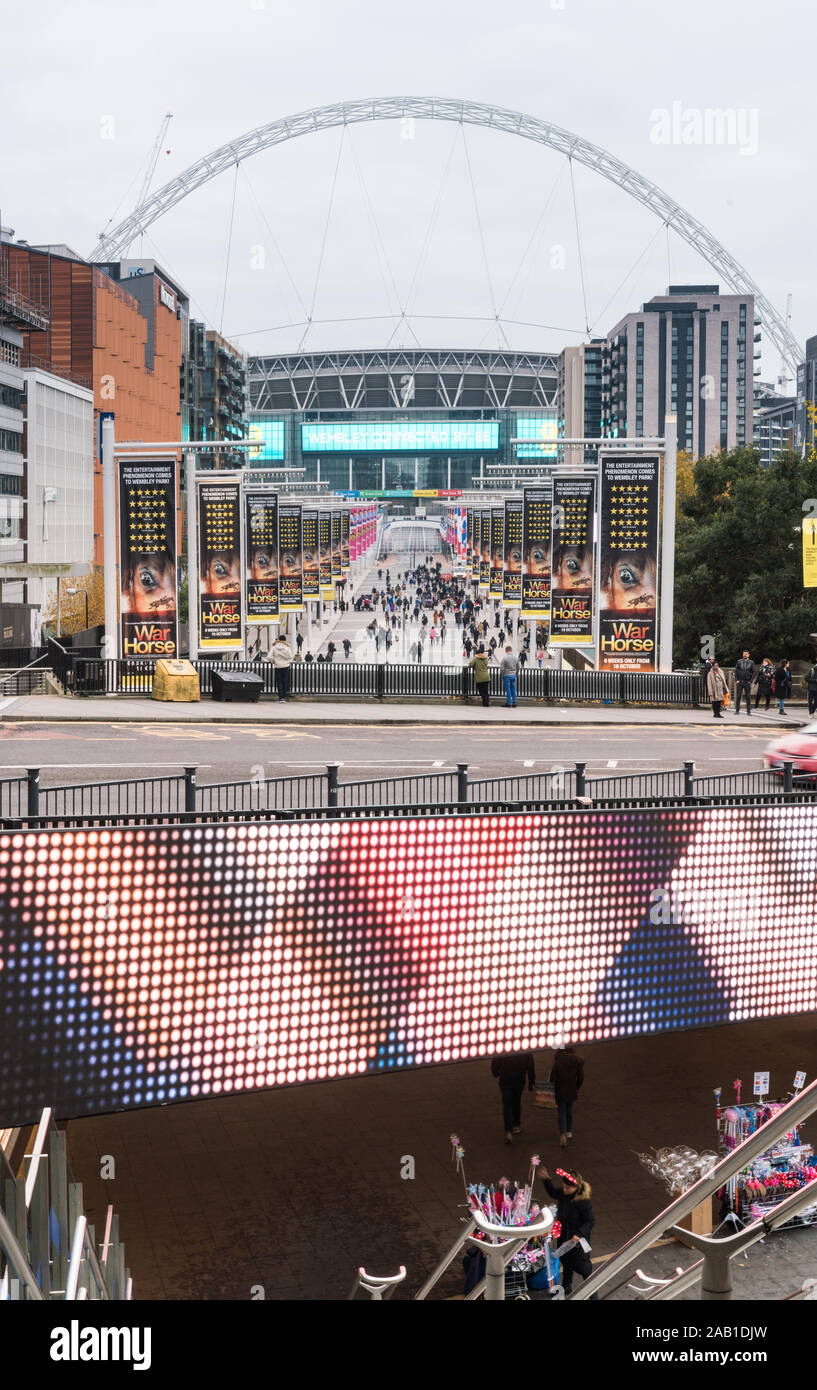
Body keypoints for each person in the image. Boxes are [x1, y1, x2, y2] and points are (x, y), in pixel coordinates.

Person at [540, 1167, 596, 1298]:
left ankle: (594, 1294)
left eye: (568, 1188)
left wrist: (579, 1233)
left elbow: (590, 1221)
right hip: (564, 1236)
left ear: (576, 1187)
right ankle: (566, 1286)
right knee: (566, 1262)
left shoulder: (583, 1201)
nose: (564, 1190)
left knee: (584, 1268)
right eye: (564, 1186)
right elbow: (553, 1192)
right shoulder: (563, 1194)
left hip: (577, 1241)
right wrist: (546, 1179)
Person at [490, 1051, 535, 1144]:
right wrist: (531, 1080)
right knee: (517, 1101)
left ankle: (508, 1131)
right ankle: (516, 1125)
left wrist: (495, 1072)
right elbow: (530, 1062)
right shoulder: (523, 1047)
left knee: (507, 1105)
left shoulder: (502, 1046)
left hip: (505, 1078)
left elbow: (496, 1059)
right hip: (519, 1078)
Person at [551, 1045, 584, 1147]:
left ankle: (562, 1134)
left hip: (560, 1091)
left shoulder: (557, 1062)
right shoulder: (576, 1062)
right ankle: (569, 1131)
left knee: (561, 1112)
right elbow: (581, 1077)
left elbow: (552, 1079)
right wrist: (576, 1087)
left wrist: (554, 1089)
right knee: (569, 1111)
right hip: (571, 1090)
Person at [269, 635, 293, 702]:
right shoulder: (287, 648)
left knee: (279, 682)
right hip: (285, 666)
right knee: (285, 682)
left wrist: (274, 661)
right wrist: (287, 662)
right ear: (285, 640)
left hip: (277, 666)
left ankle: (280, 698)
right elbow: (290, 657)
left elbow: (269, 657)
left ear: (278, 640)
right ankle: (283, 697)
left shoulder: (274, 647)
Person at [733, 650, 755, 716]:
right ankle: (737, 710)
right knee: (738, 696)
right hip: (740, 681)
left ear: (748, 655)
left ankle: (748, 711)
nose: (745, 655)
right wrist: (736, 680)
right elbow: (736, 671)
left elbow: (753, 672)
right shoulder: (739, 661)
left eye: (746, 654)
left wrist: (750, 681)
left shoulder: (751, 662)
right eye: (744, 654)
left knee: (748, 696)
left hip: (747, 682)